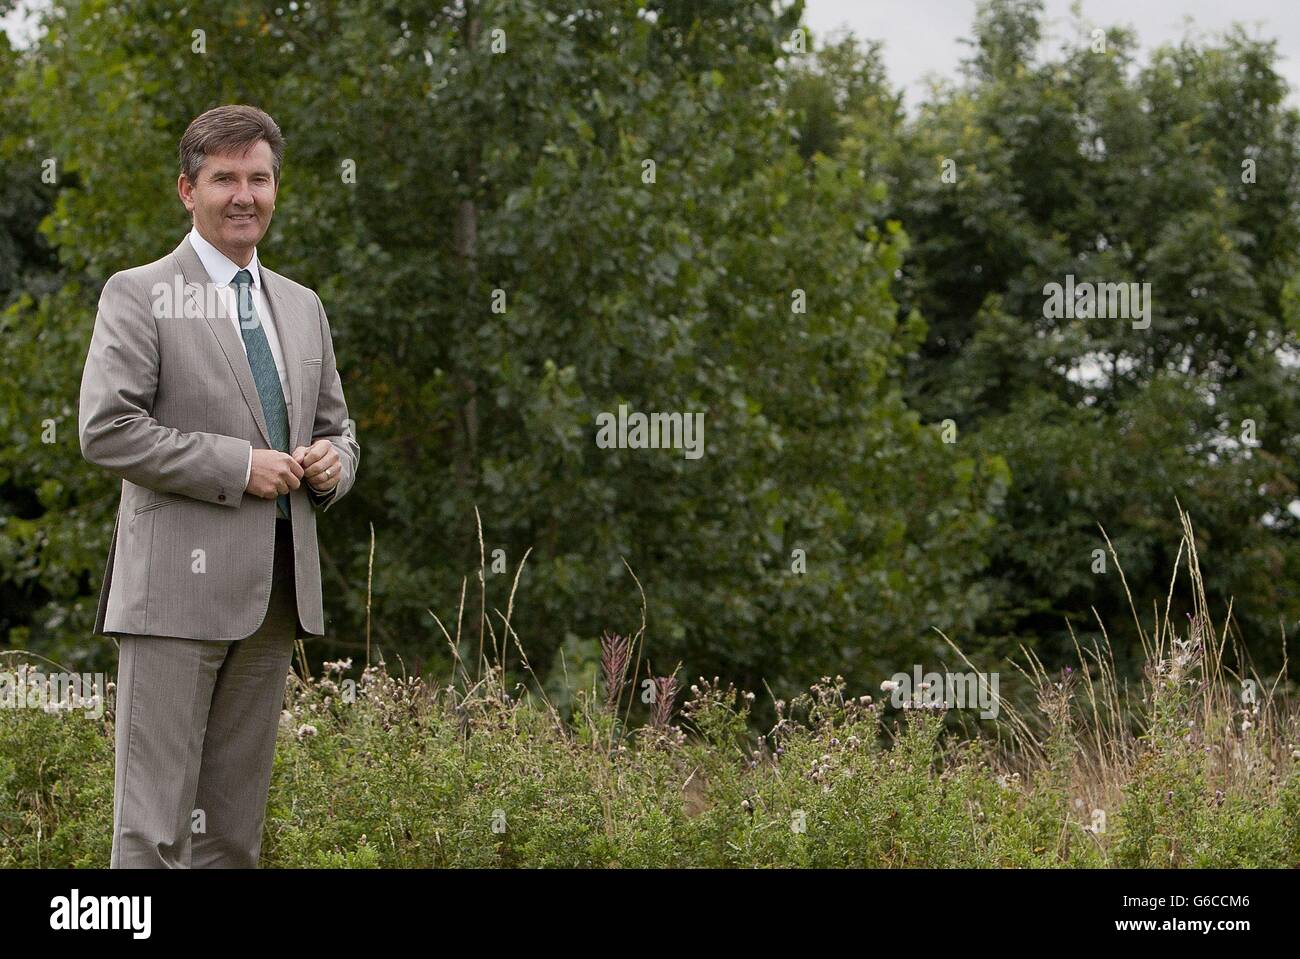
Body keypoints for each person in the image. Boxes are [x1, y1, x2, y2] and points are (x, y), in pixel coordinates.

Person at [77, 103, 360, 868]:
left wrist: (334, 464)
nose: (245, 194)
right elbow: (107, 428)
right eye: (224, 178)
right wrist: (237, 465)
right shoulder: (136, 294)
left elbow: (339, 428)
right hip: (173, 596)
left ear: (276, 187)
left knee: (231, 838)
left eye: (259, 178)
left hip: (273, 597)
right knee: (153, 832)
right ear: (186, 189)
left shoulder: (303, 307)